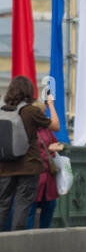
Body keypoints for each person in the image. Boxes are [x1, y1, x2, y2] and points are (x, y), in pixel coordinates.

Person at [0, 76, 53, 232]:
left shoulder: (2, 111)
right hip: (28, 166)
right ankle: (17, 242)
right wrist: (51, 105)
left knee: (3, 204)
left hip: (5, 166)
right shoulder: (30, 111)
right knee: (22, 204)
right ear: (29, 91)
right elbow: (55, 126)